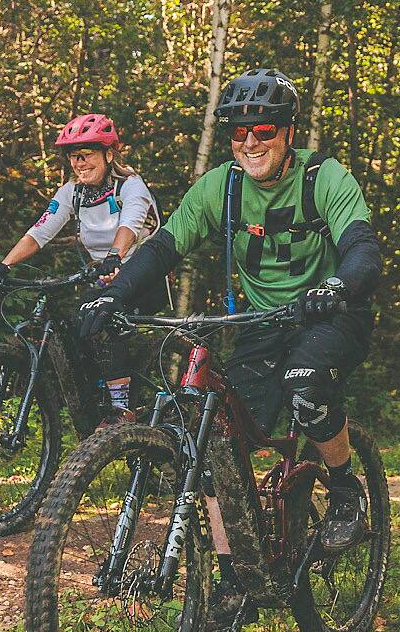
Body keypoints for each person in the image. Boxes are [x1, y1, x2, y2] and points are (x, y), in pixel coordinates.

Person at [79, 68, 382, 573]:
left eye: (263, 130)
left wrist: (336, 286)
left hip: (332, 312)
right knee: (217, 450)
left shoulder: (324, 176)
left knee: (306, 387)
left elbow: (362, 251)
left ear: (288, 131)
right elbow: (162, 248)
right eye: (238, 131)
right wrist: (115, 295)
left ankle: (348, 488)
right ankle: (233, 572)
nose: (249, 142)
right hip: (263, 323)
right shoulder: (221, 188)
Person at [0, 113, 160, 420]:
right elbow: (39, 232)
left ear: (109, 154)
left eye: (86, 155)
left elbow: (130, 223)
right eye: (74, 157)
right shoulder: (72, 192)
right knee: (73, 322)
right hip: (104, 273)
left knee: (104, 315)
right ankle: (93, 393)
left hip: (143, 272)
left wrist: (115, 255)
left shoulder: (130, 187)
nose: (79, 163)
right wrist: (4, 266)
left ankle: (121, 408)